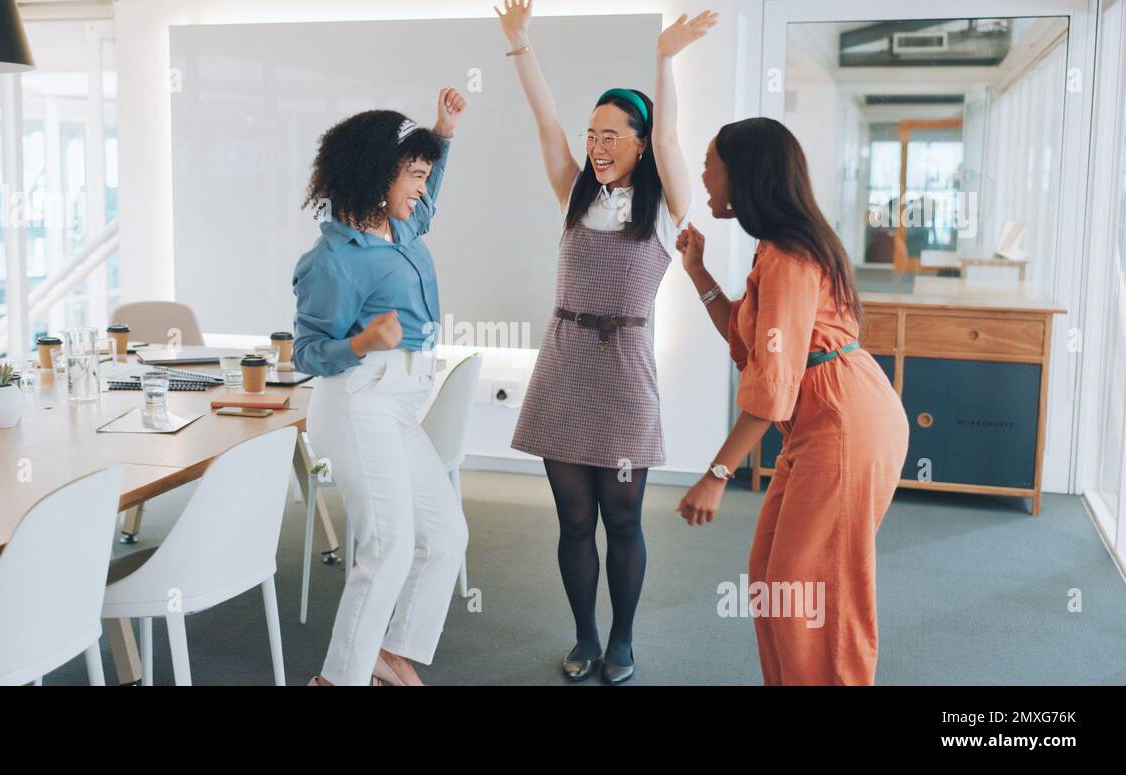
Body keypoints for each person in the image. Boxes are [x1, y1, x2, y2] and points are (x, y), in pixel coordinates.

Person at [496, 0, 718, 684]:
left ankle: (622, 639)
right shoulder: (574, 192)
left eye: (611, 134)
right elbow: (544, 120)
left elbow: (675, 139)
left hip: (623, 378)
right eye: (591, 133)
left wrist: (665, 56)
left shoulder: (663, 203)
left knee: (622, 520)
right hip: (562, 370)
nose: (595, 144)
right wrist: (518, 44)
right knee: (571, 522)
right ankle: (586, 635)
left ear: (640, 142)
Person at [675, 117, 909, 685]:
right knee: (773, 580)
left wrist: (717, 472)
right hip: (822, 423)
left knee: (813, 593)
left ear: (745, 173)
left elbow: (772, 383)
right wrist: (697, 271)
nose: (704, 175)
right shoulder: (774, 249)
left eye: (712, 164)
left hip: (845, 426)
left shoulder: (789, 257)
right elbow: (748, 339)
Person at [294, 88, 470, 686]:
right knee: (388, 546)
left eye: (424, 176)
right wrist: (362, 343)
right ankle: (336, 680)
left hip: (398, 407)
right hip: (356, 402)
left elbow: (428, 197)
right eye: (413, 176)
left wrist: (442, 135)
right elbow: (307, 351)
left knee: (445, 536)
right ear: (375, 177)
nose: (422, 187)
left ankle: (388, 656)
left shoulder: (400, 225)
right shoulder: (333, 260)